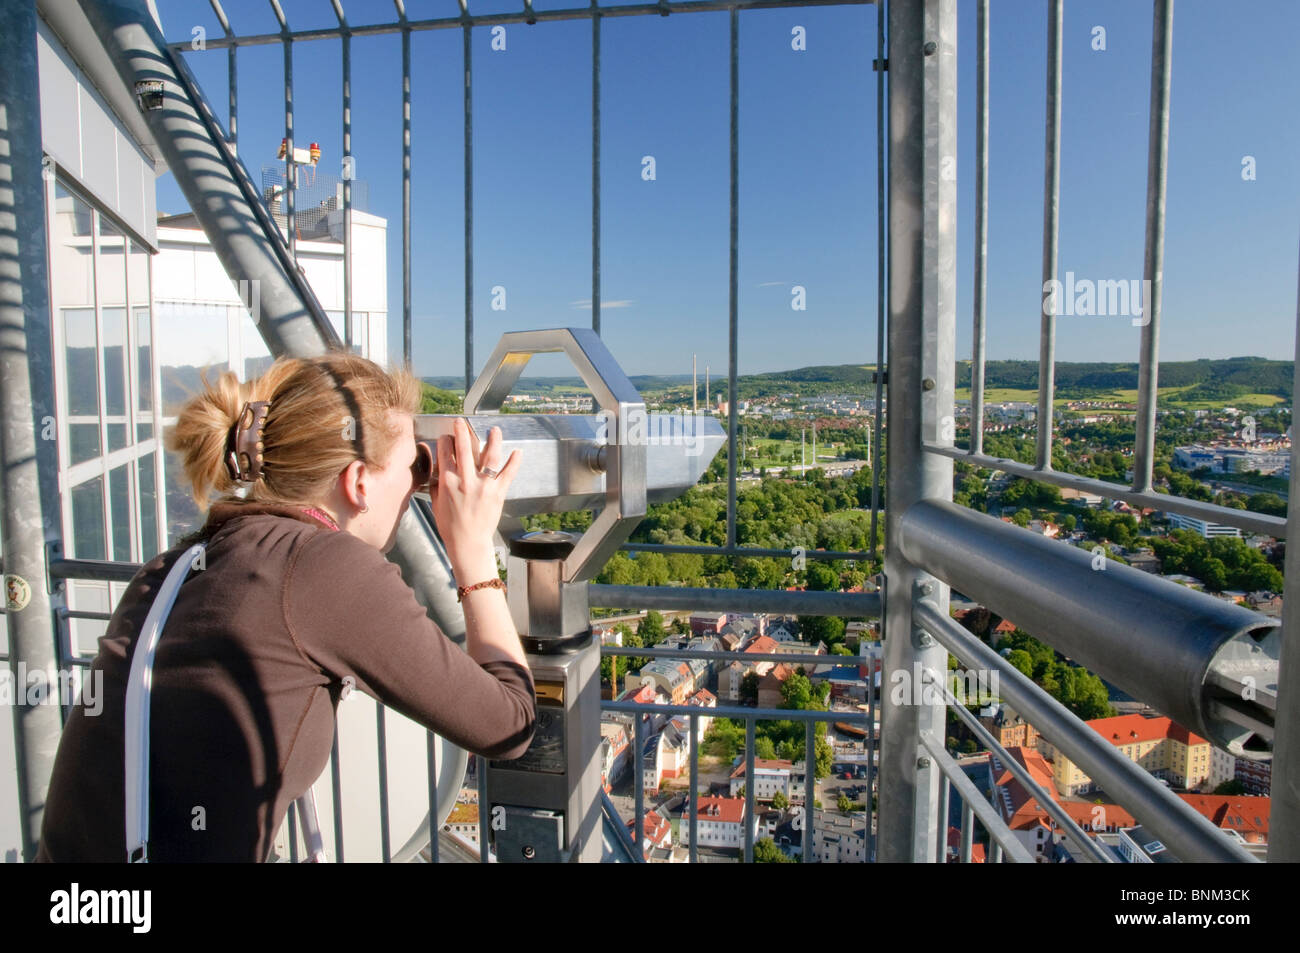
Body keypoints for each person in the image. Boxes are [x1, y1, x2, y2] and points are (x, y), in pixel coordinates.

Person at [35, 352, 533, 862]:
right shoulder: (326, 564)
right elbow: (507, 724)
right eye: (415, 467)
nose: (419, 489)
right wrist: (472, 548)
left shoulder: (177, 565)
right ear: (359, 482)